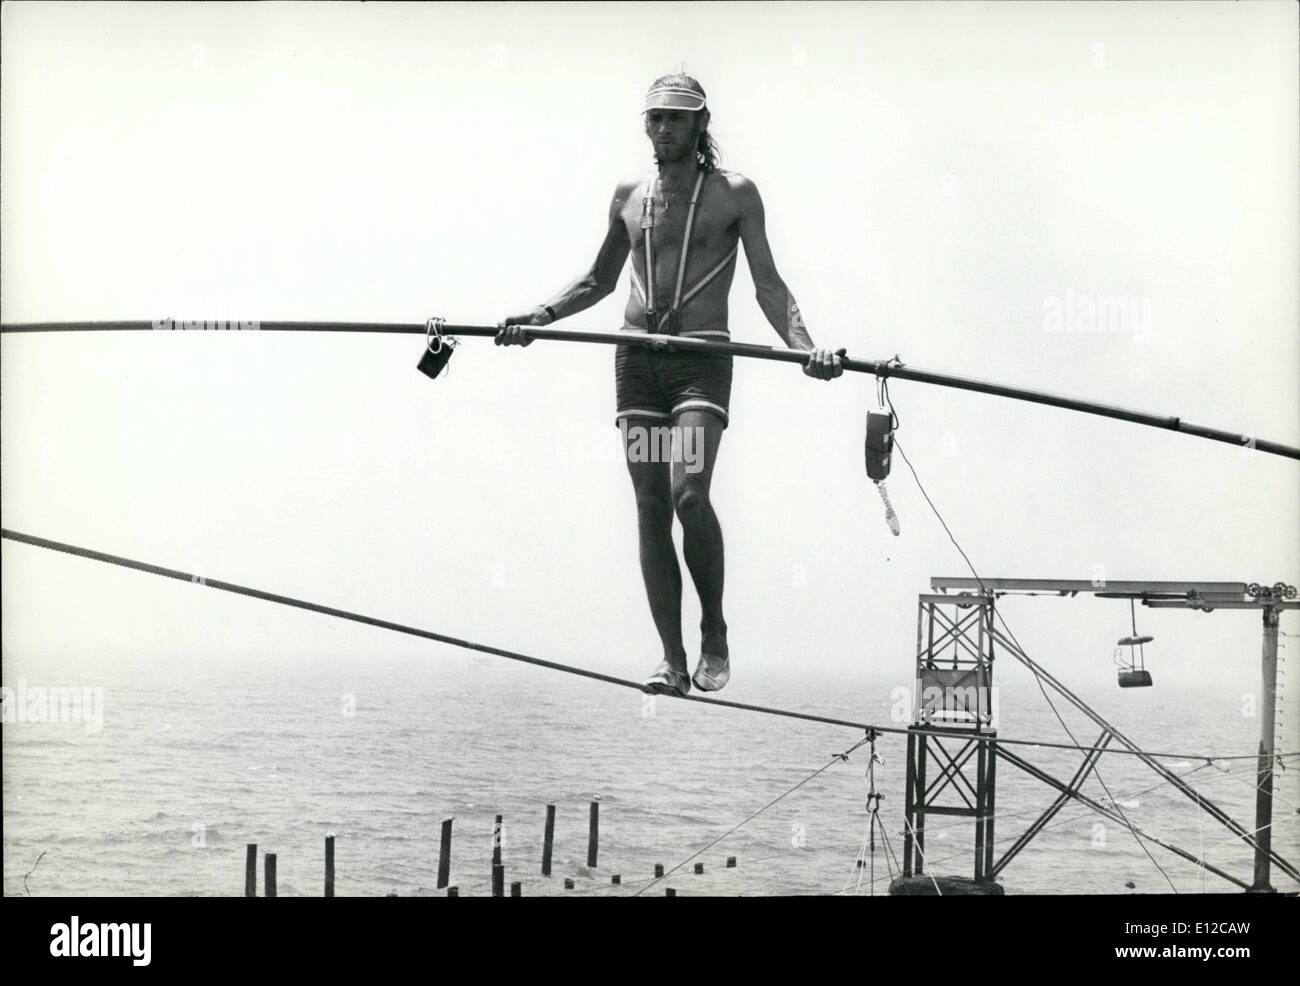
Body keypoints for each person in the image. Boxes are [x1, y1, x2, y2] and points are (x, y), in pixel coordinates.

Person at [497, 73, 842, 696]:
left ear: (701, 124)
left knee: (688, 496)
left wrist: (805, 347)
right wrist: (538, 318)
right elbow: (599, 280)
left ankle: (714, 628)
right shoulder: (629, 194)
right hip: (638, 366)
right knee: (652, 507)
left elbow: (768, 283)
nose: (663, 128)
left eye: (676, 119)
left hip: (699, 364)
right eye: (655, 118)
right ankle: (673, 660)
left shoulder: (735, 194)